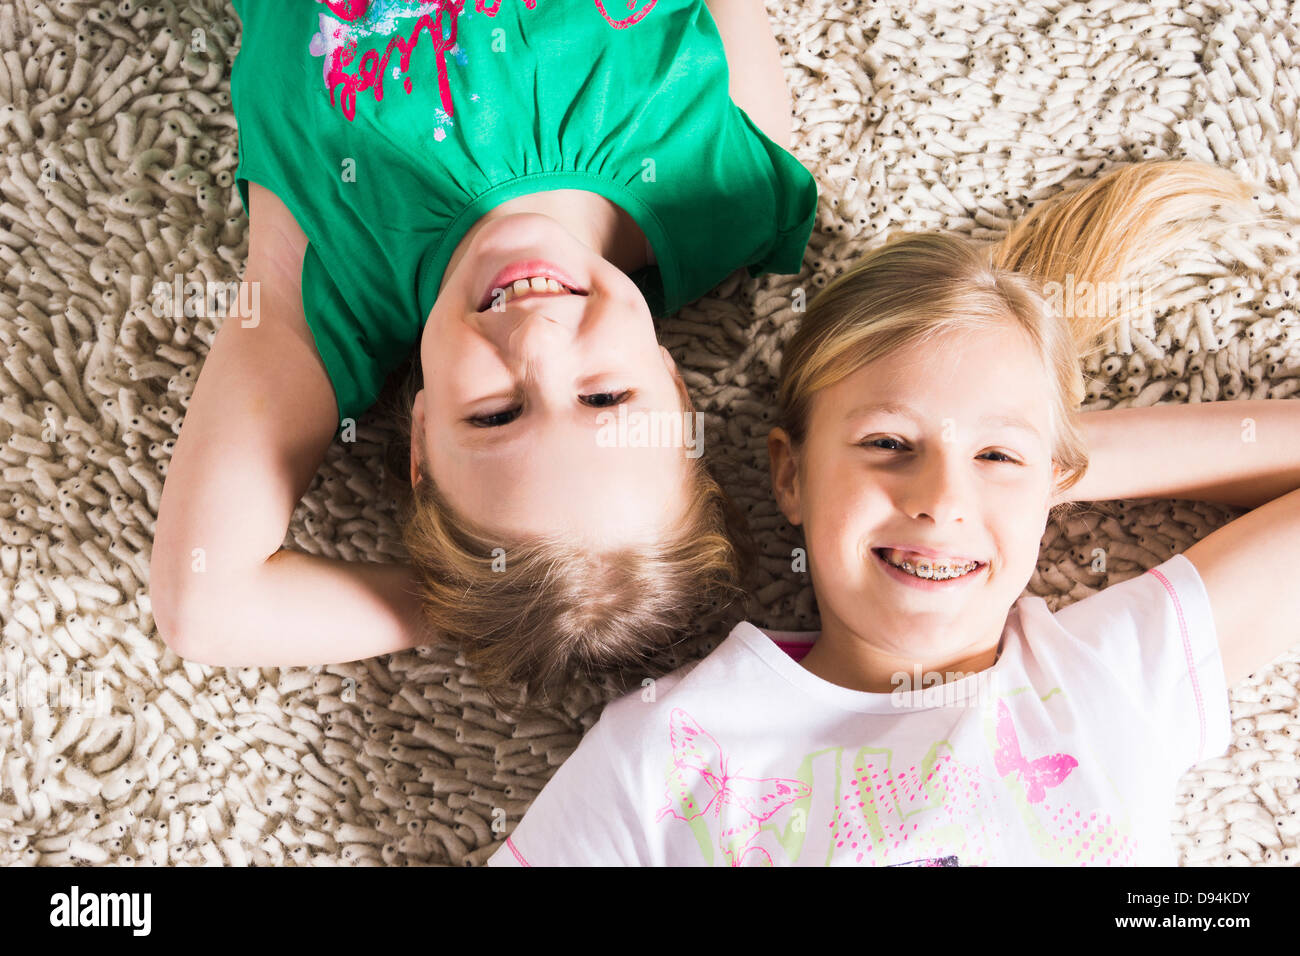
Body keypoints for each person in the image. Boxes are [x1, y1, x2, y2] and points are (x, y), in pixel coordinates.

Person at [486, 160, 1300, 865]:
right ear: (791, 475)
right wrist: (1010, 462)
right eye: (887, 443)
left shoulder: (1110, 678)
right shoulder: (670, 749)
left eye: (996, 457)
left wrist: (1047, 469)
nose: (941, 501)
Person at [151, 0, 817, 711]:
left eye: (496, 415)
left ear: (420, 439)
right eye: (604, 398)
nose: (535, 339)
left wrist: (480, 598)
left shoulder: (327, 287)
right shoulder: (732, 182)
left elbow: (204, 605)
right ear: (676, 388)